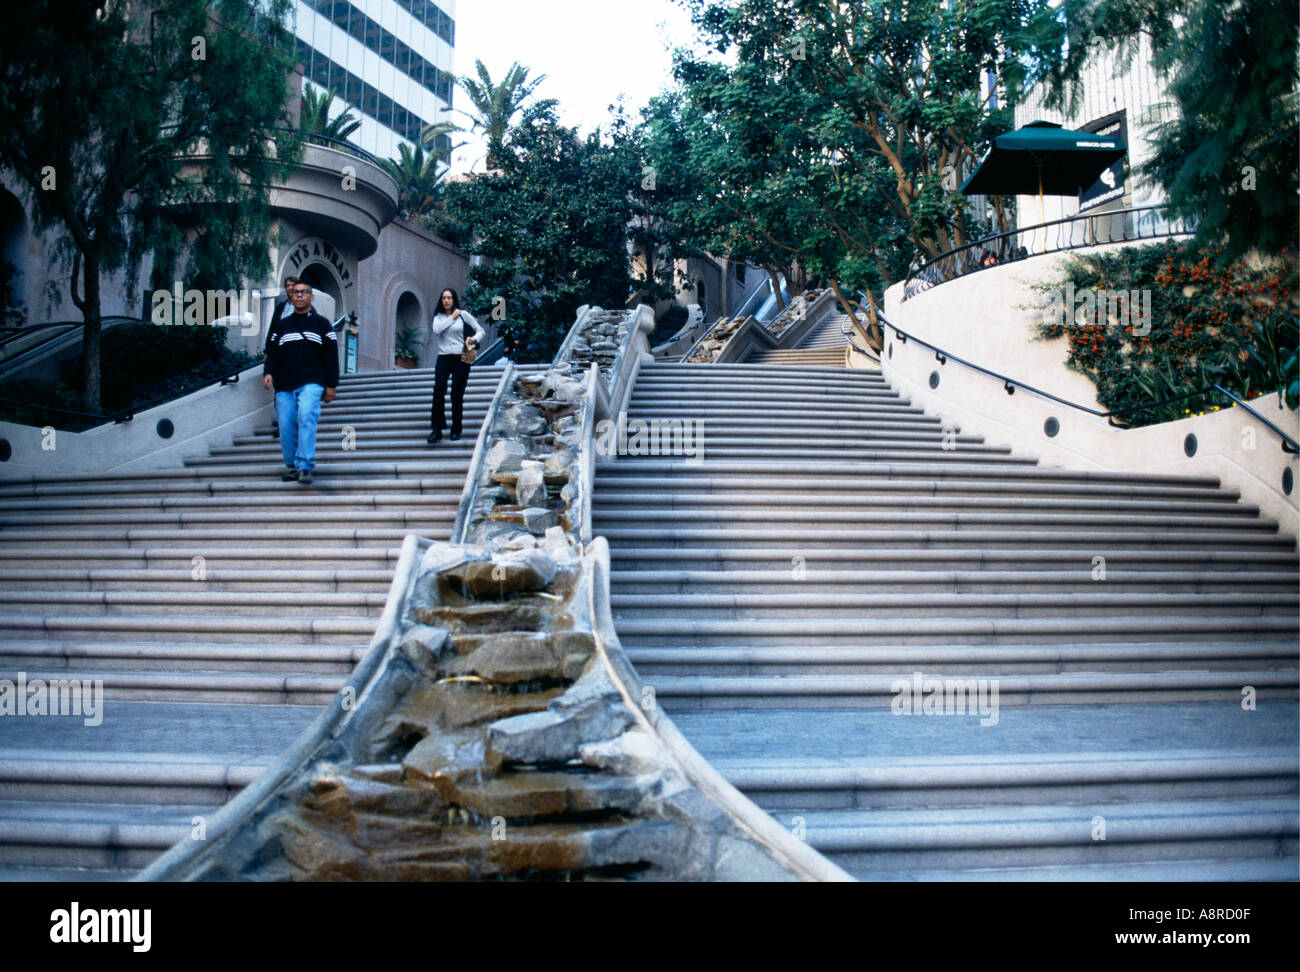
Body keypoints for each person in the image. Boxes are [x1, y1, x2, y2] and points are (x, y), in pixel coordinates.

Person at [262, 282, 338, 484]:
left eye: (304, 292)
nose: (299, 296)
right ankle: (294, 465)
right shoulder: (282, 325)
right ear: (291, 297)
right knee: (286, 425)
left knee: (306, 415)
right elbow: (272, 350)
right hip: (284, 384)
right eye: (295, 292)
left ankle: (305, 466)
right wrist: (268, 371)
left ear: (311, 297)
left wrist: (331, 384)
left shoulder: (323, 324)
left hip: (312, 381)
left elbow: (331, 355)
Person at [427, 288, 485, 444]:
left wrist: (473, 339)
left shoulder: (463, 315)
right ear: (441, 300)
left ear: (454, 300)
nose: (446, 300)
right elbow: (437, 330)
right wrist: (452, 317)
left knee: (456, 394)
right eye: (444, 298)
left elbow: (481, 331)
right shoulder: (438, 317)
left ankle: (456, 429)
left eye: (450, 298)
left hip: (461, 357)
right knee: (438, 390)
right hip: (443, 357)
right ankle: (437, 429)